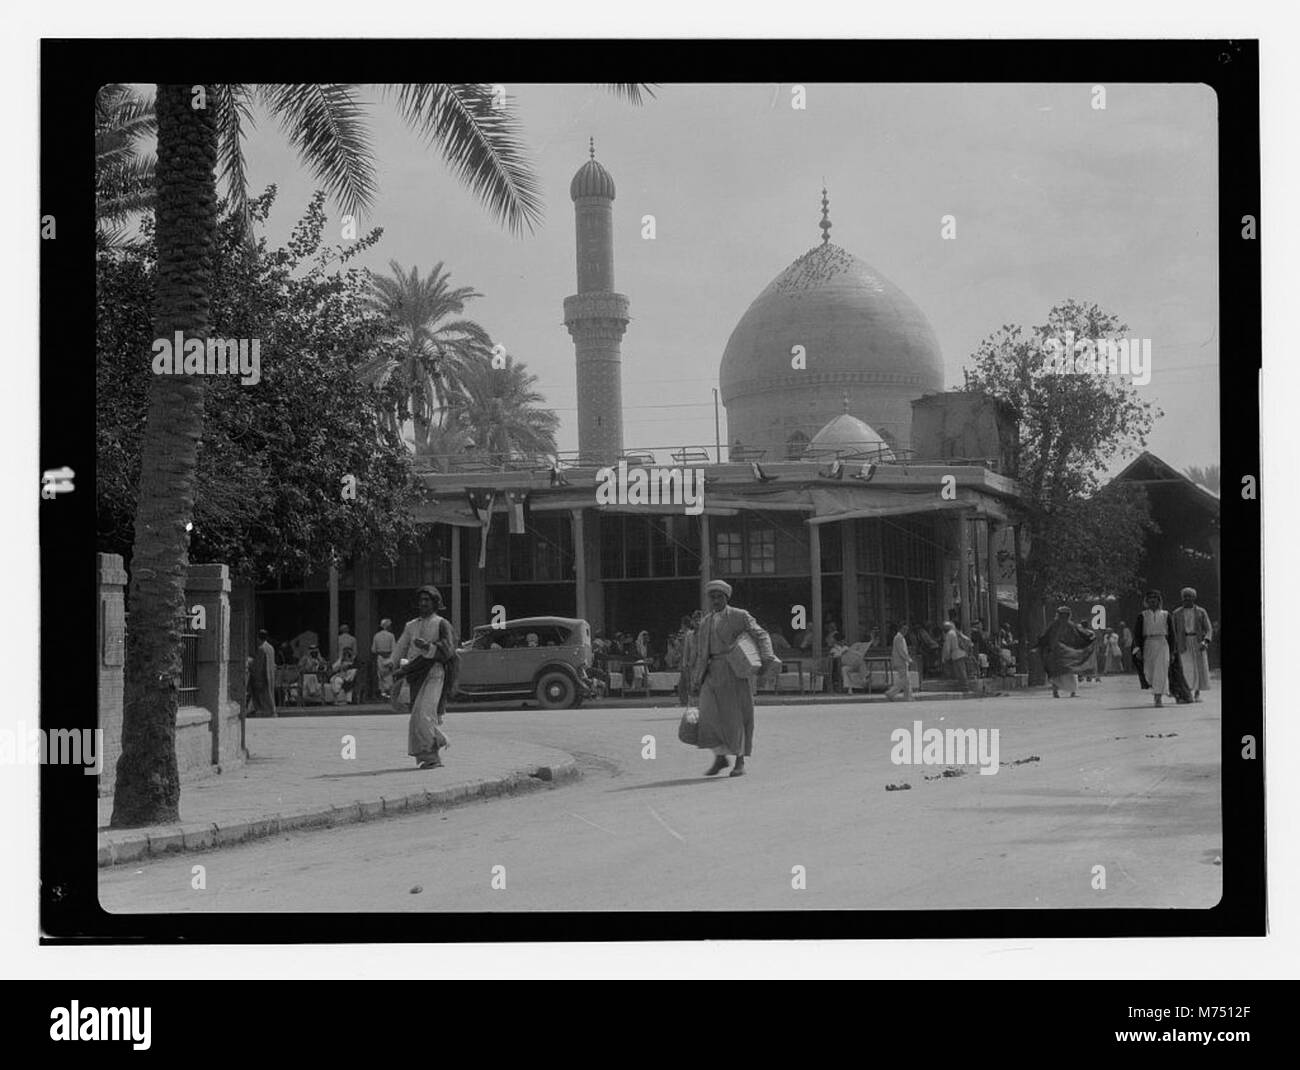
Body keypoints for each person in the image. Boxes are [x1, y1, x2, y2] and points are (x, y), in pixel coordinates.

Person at [688, 580, 778, 778]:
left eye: (720, 596)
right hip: (711, 672)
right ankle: (720, 756)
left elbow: (761, 634)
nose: (716, 600)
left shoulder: (740, 616)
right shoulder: (705, 622)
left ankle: (739, 761)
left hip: (736, 669)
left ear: (726, 598)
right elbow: (701, 653)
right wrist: (696, 680)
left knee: (737, 717)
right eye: (712, 597)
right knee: (708, 716)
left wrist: (766, 658)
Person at [392, 586, 456, 769]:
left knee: (425, 715)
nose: (423, 603)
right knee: (417, 717)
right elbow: (401, 646)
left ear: (435, 602)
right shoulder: (411, 625)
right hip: (415, 675)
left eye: (427, 600)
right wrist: (390, 662)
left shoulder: (442, 623)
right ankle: (434, 747)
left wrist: (428, 647)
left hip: (435, 673)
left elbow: (448, 650)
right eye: (421, 600)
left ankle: (432, 757)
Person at [1132, 589, 1193, 707]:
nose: (1152, 604)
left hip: (1162, 644)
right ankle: (1156, 690)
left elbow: (1172, 635)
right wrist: (1138, 649)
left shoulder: (1166, 615)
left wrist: (1172, 651)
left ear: (1159, 602)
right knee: (1149, 672)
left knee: (1161, 671)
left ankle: (1158, 697)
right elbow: (1137, 634)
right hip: (1148, 644)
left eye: (1155, 602)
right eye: (1150, 602)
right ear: (1146, 602)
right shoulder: (1142, 616)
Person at [1035, 606, 1095, 698]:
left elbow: (1046, 636)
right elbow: (1080, 634)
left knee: (1057, 673)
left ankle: (1057, 692)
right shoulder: (1069, 625)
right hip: (1066, 653)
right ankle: (1072, 692)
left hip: (1058, 652)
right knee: (1069, 672)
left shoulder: (1056, 624)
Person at [1172, 587, 1213, 701]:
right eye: (1185, 596)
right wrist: (1174, 645)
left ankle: (1197, 693)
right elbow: (1172, 630)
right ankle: (1187, 692)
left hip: (1198, 642)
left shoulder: (1201, 611)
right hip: (1183, 642)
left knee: (1198, 667)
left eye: (1189, 596)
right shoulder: (1176, 613)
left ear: (1194, 598)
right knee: (1186, 667)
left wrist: (1206, 641)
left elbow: (1209, 628)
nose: (1187, 599)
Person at [884, 621, 915, 701]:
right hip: (900, 662)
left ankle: (908, 697)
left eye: (907, 629)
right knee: (903, 680)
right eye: (904, 629)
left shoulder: (901, 638)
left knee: (907, 680)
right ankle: (891, 693)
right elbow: (901, 651)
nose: (906, 631)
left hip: (902, 662)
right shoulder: (898, 638)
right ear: (900, 629)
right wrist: (909, 659)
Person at [249, 629, 277, 717]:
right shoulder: (271, 647)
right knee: (269, 694)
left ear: (258, 638)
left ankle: (265, 711)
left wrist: (251, 665)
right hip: (270, 675)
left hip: (262, 676)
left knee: (263, 695)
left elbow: (259, 665)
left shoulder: (262, 649)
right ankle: (271, 710)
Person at [941, 621, 971, 691]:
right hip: (962, 653)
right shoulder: (956, 632)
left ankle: (964, 687)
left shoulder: (949, 634)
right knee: (962, 670)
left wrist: (946, 657)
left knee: (960, 671)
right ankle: (964, 686)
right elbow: (967, 640)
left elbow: (947, 647)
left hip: (956, 654)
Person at [372, 618, 396, 699]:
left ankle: (383, 694)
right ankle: (388, 694)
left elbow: (373, 650)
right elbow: (394, 648)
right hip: (389, 657)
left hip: (380, 658)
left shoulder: (376, 635)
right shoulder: (391, 635)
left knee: (381, 677)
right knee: (389, 676)